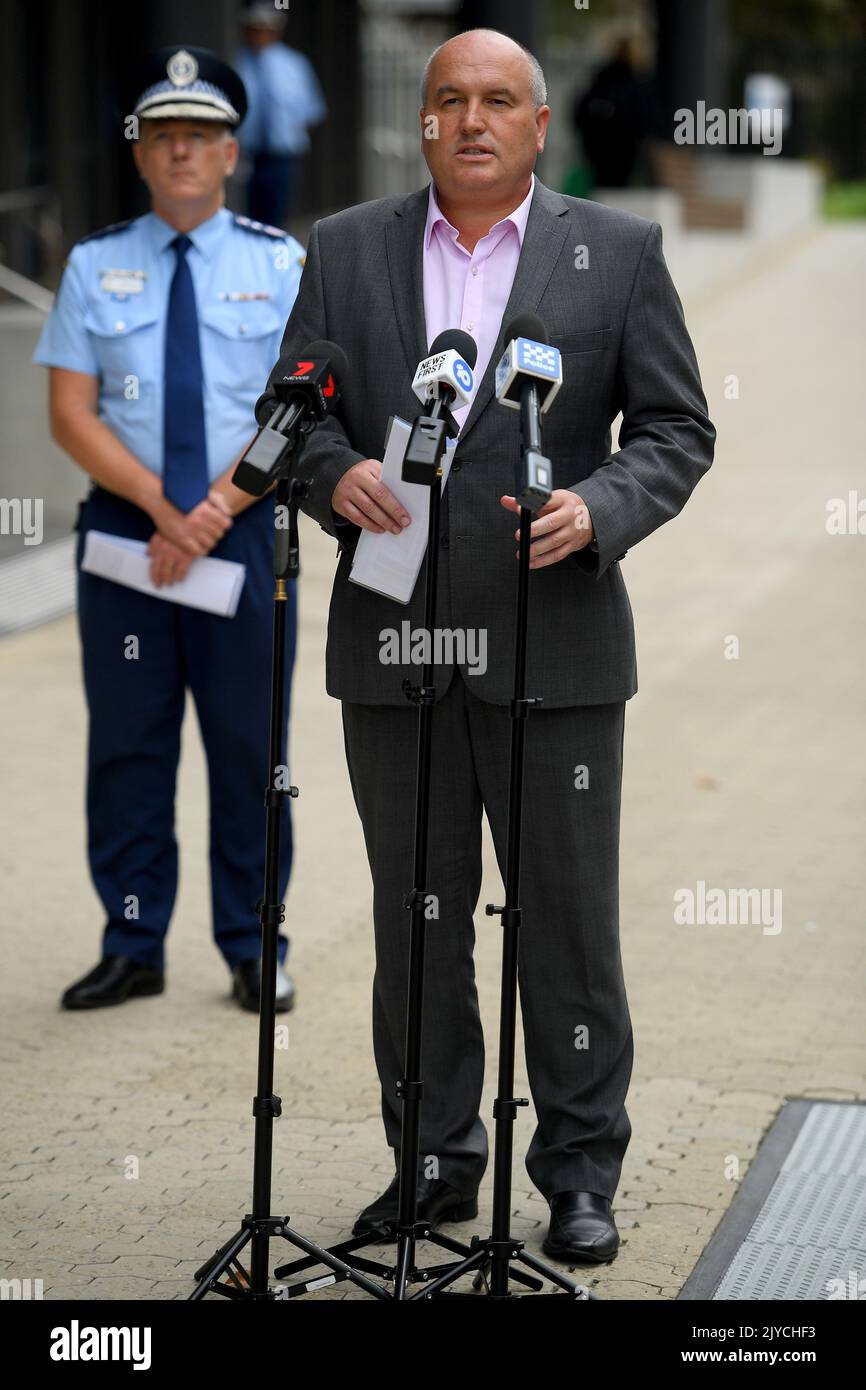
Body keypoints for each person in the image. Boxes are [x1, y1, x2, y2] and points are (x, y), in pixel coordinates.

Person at [259, 28, 715, 1263]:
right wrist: (333, 466)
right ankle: (433, 1159)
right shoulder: (345, 248)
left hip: (553, 646)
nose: (471, 118)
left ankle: (575, 1171)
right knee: (418, 916)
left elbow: (673, 428)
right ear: (421, 122)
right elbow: (290, 410)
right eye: (447, 99)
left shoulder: (613, 253)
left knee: (564, 920)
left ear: (536, 124)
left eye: (497, 100)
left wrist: (599, 509)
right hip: (395, 644)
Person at [34, 47, 305, 1014]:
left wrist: (216, 510)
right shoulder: (94, 263)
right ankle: (133, 940)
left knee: (248, 749)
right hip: (127, 539)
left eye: (200, 135)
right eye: (163, 135)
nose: (181, 150)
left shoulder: (281, 264)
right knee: (129, 746)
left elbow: (300, 409)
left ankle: (252, 944)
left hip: (240, 533)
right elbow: (71, 414)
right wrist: (162, 507)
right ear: (140, 154)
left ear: (232, 153)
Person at [235, 3, 327, 227]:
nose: (261, 34)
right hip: (246, 154)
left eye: (267, 28)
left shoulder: (294, 64)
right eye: (256, 28)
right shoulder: (237, 62)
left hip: (282, 154)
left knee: (278, 213)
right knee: (246, 215)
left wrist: (291, 132)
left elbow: (312, 109)